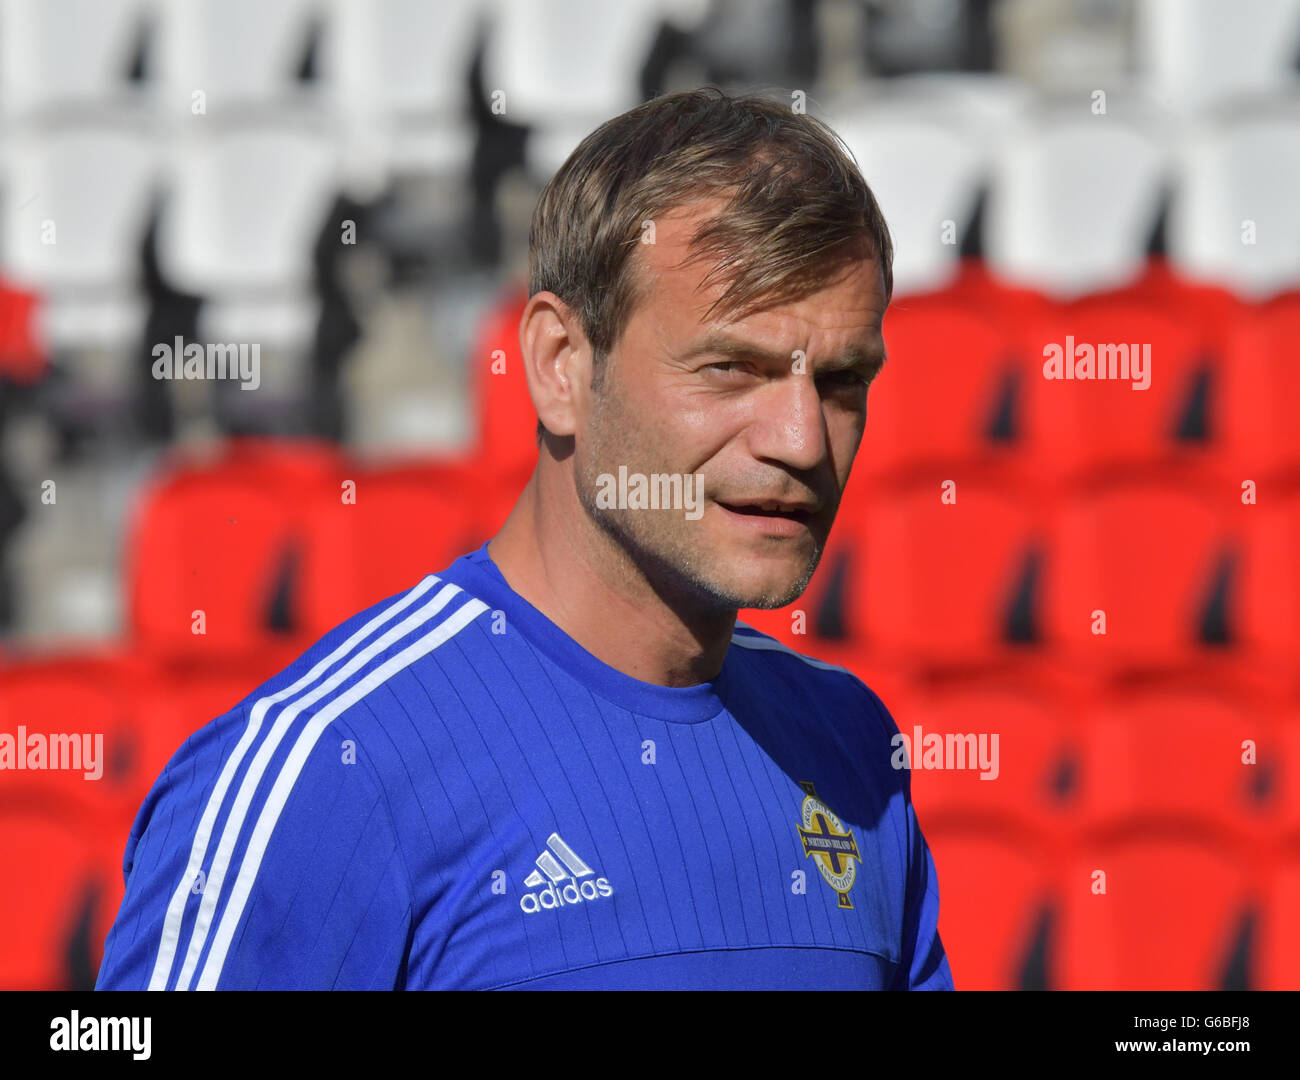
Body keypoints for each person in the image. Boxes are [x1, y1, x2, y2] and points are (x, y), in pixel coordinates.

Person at [96, 87, 953, 990]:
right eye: (730, 368)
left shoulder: (851, 747)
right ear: (558, 367)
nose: (802, 440)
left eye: (842, 381)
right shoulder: (330, 771)